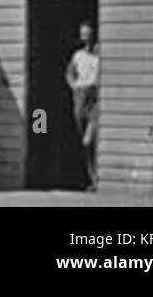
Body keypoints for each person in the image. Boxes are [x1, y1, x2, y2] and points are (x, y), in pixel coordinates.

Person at [65, 20, 100, 192]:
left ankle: (96, 178)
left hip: (95, 97)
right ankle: (91, 178)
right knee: (84, 142)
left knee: (89, 140)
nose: (86, 38)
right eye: (83, 34)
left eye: (89, 34)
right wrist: (75, 86)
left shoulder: (101, 53)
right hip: (80, 96)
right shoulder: (77, 55)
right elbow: (69, 73)